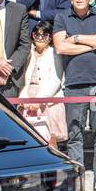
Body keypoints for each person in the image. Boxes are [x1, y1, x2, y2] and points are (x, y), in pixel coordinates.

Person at [55, 0, 96, 191]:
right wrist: (91, 44)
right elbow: (61, 46)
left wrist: (77, 39)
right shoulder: (62, 17)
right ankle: (77, 177)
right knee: (75, 134)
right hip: (74, 85)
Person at [19, 21, 66, 149]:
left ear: (50, 38)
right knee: (30, 137)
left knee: (51, 139)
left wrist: (39, 99)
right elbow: (22, 78)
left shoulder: (54, 53)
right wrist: (24, 98)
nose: (40, 38)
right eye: (36, 35)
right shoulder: (27, 52)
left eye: (44, 35)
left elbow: (56, 80)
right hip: (28, 99)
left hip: (50, 101)